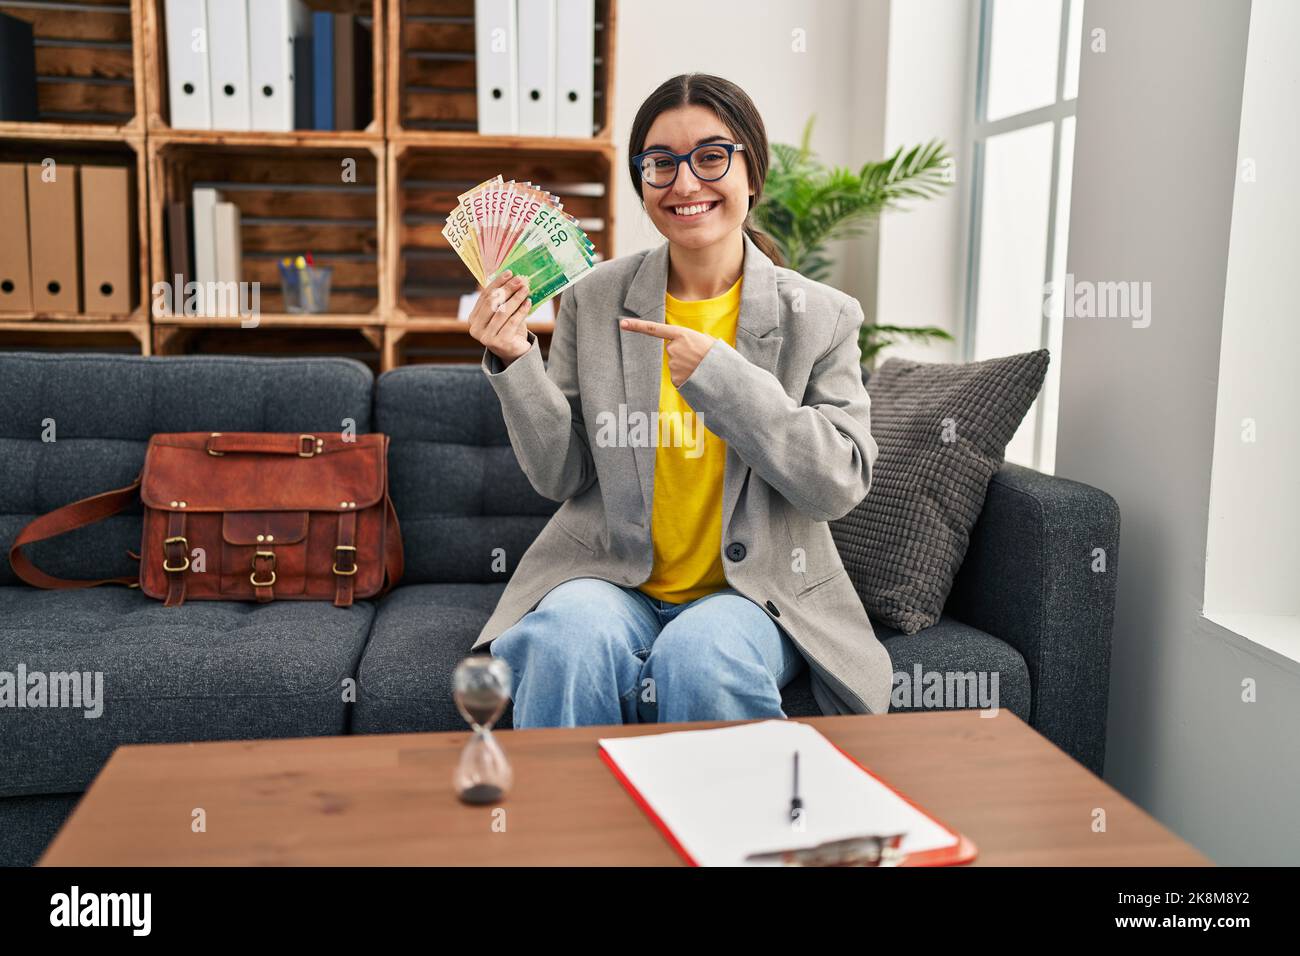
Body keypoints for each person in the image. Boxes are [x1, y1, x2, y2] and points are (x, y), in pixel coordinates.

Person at [467, 73, 892, 728]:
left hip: (753, 595)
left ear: (753, 172)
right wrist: (518, 362)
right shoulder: (593, 298)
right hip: (612, 580)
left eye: (711, 157)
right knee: (560, 641)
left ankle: (732, 831)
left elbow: (837, 484)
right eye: (661, 164)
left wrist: (721, 377)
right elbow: (563, 475)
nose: (685, 184)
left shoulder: (822, 316)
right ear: (642, 181)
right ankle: (566, 828)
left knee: (702, 654)